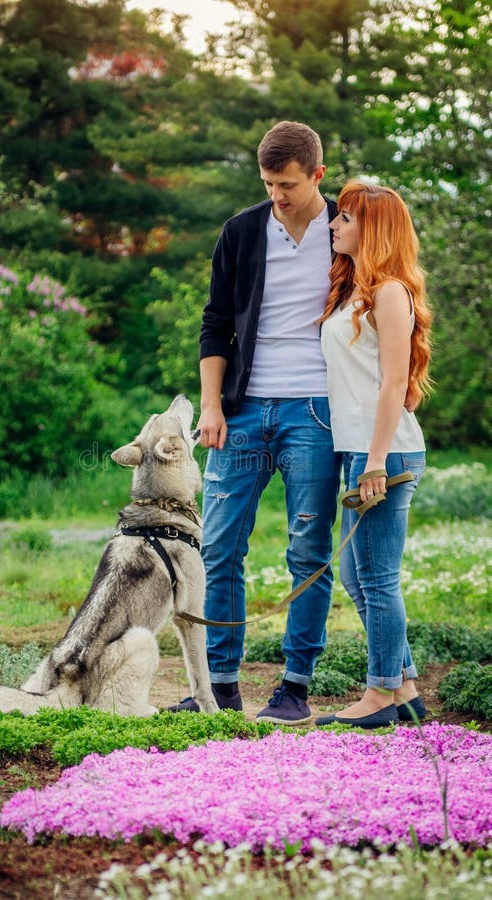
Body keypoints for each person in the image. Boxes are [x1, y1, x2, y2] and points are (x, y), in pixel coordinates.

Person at [169, 121, 341, 725]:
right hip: (242, 410)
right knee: (216, 548)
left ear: (318, 174)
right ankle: (219, 687)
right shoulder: (241, 231)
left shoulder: (351, 227)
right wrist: (211, 404)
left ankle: (294, 689)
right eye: (268, 183)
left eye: (288, 184)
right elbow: (216, 322)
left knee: (309, 552)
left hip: (316, 413)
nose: (278, 195)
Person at [316, 180, 433, 728]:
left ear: (374, 227)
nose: (334, 225)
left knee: (378, 579)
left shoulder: (389, 292)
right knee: (356, 578)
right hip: (360, 450)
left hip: (386, 453)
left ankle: (380, 694)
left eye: (345, 218)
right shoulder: (358, 290)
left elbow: (391, 385)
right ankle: (404, 686)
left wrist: (376, 461)